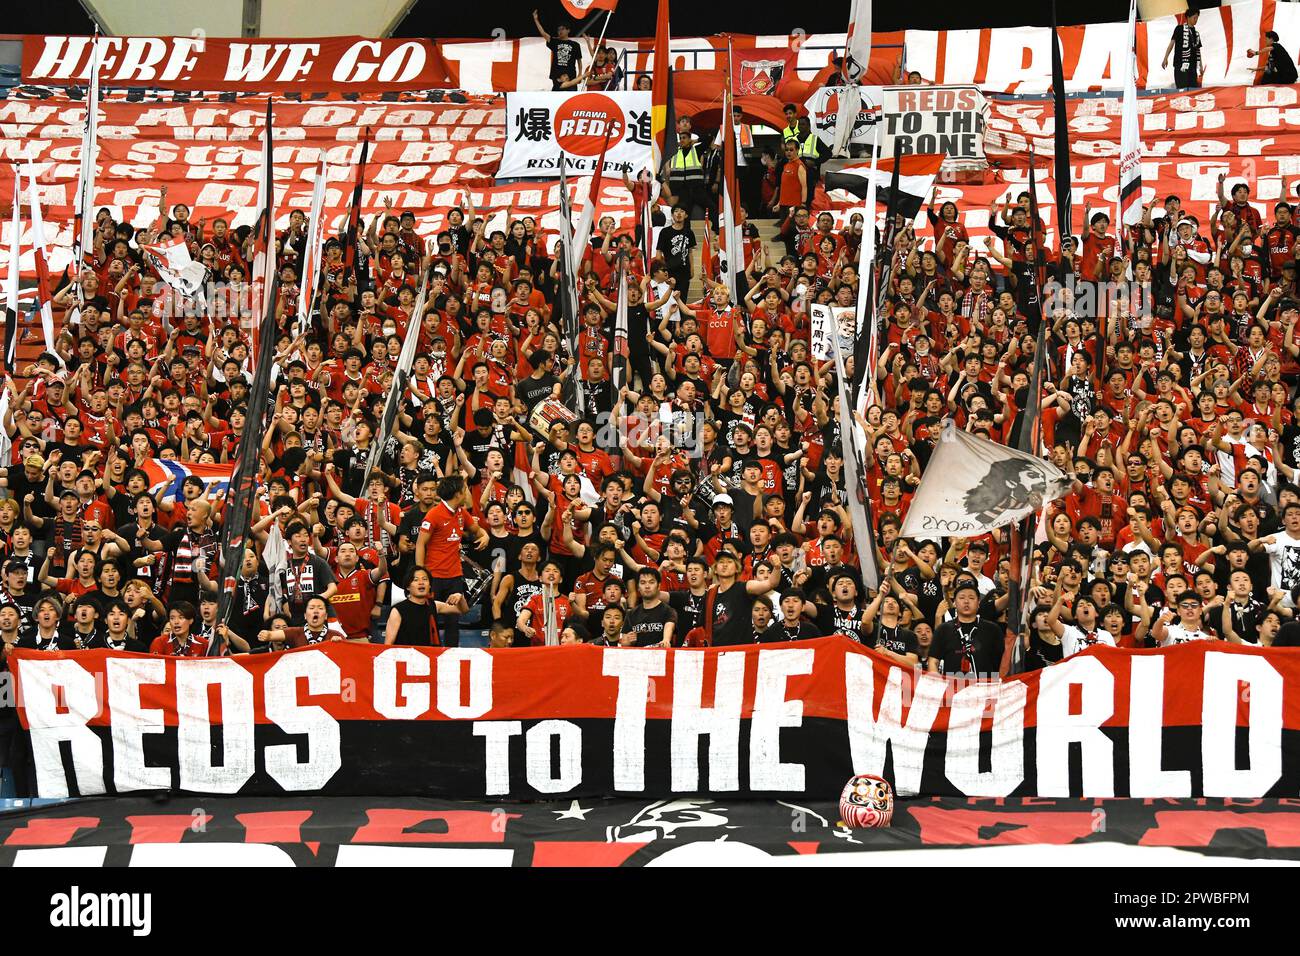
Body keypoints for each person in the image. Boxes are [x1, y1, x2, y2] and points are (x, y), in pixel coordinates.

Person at [533, 10, 583, 91]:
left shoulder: (575, 45)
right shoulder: (555, 42)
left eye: (562, 29)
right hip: (557, 76)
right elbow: (543, 33)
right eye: (558, 29)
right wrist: (536, 19)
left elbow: (579, 60)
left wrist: (580, 74)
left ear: (568, 30)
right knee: (557, 97)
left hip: (570, 75)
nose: (560, 31)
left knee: (570, 98)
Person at [1162, 10, 1204, 90]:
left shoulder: (1196, 33)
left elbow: (1198, 50)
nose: (1196, 20)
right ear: (1188, 17)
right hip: (1180, 65)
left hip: (1192, 67)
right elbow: (1172, 43)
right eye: (1194, 17)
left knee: (1192, 90)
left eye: (1197, 18)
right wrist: (1165, 58)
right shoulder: (1179, 29)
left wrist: (1200, 66)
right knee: (1182, 90)